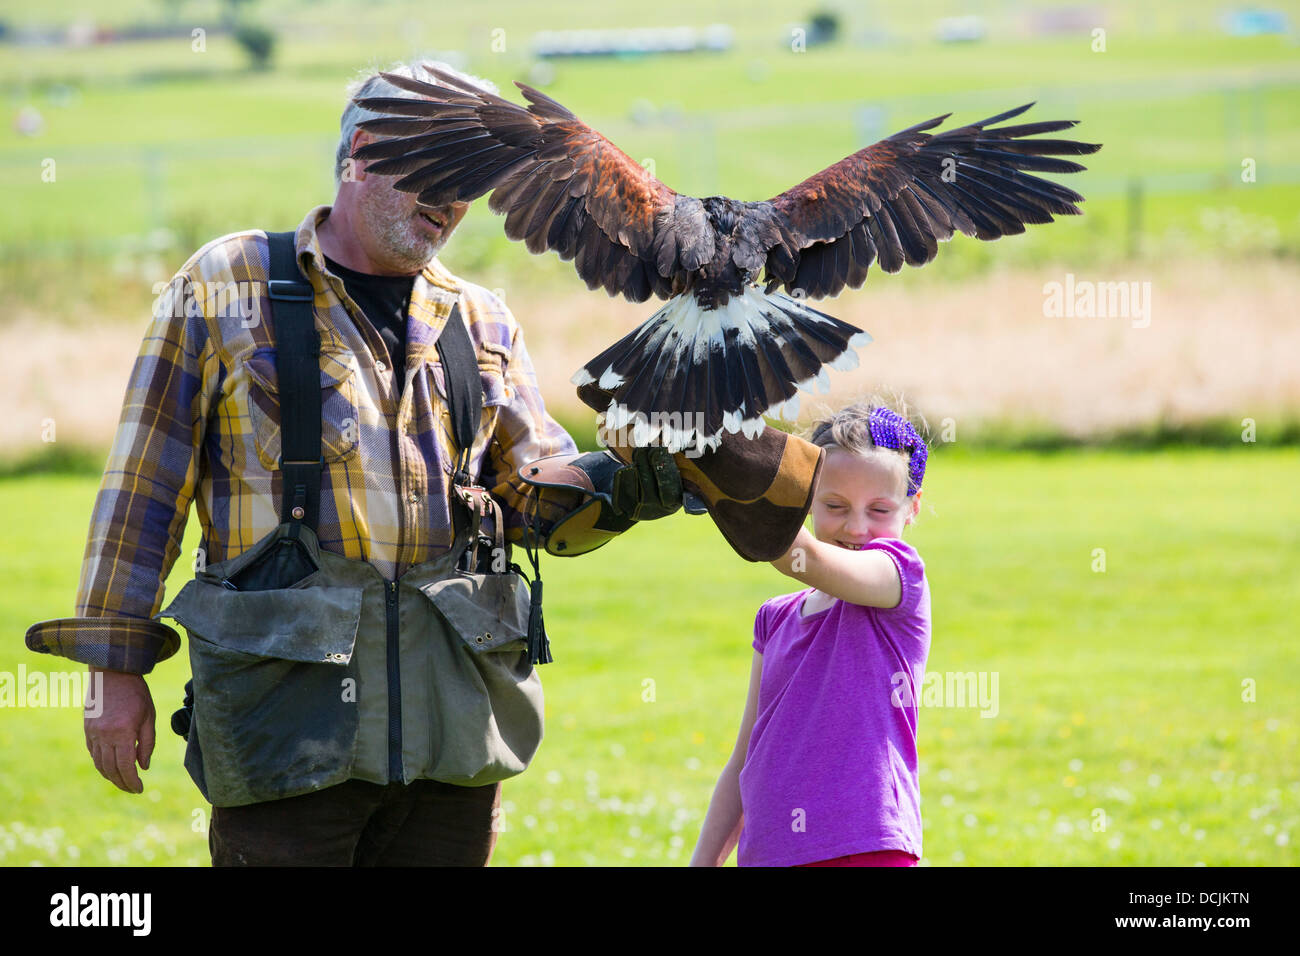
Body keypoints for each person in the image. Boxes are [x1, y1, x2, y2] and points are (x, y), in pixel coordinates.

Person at [24, 60, 683, 867]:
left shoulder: (481, 318)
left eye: (470, 185)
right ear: (361, 154)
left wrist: (624, 483)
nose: (452, 205)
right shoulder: (228, 283)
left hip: (454, 731)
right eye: (437, 174)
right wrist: (114, 671)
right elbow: (144, 487)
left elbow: (532, 493)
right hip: (285, 727)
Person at [691, 398, 932, 867]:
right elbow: (744, 759)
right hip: (769, 853)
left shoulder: (901, 579)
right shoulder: (774, 619)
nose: (856, 526)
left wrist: (709, 454)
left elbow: (802, 556)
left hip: (867, 848)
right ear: (805, 500)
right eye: (835, 505)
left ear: (912, 508)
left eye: (879, 509)